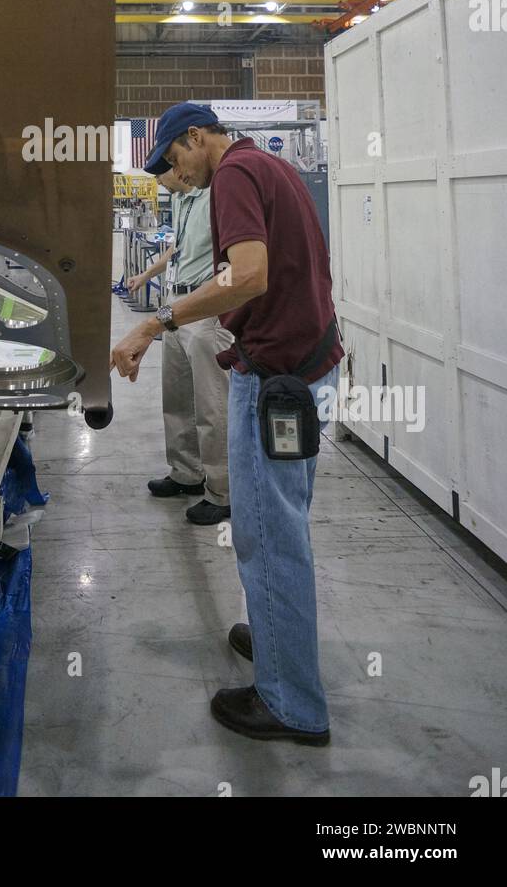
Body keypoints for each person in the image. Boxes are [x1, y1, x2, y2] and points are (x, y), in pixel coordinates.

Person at [110, 101, 343, 746]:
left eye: (174, 159)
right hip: (306, 366)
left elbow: (248, 278)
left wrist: (156, 321)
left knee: (269, 538)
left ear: (196, 137)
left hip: (277, 380)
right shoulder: (268, 166)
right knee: (277, 528)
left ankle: (291, 704)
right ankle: (275, 639)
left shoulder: (235, 175)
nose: (175, 174)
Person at [126, 167, 233, 524]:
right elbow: (176, 249)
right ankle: (186, 472)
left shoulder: (217, 194)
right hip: (175, 305)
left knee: (212, 403)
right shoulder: (181, 200)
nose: (158, 184)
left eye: (162, 176)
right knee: (176, 396)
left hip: (205, 309)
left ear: (177, 170)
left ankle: (222, 490)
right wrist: (146, 275)